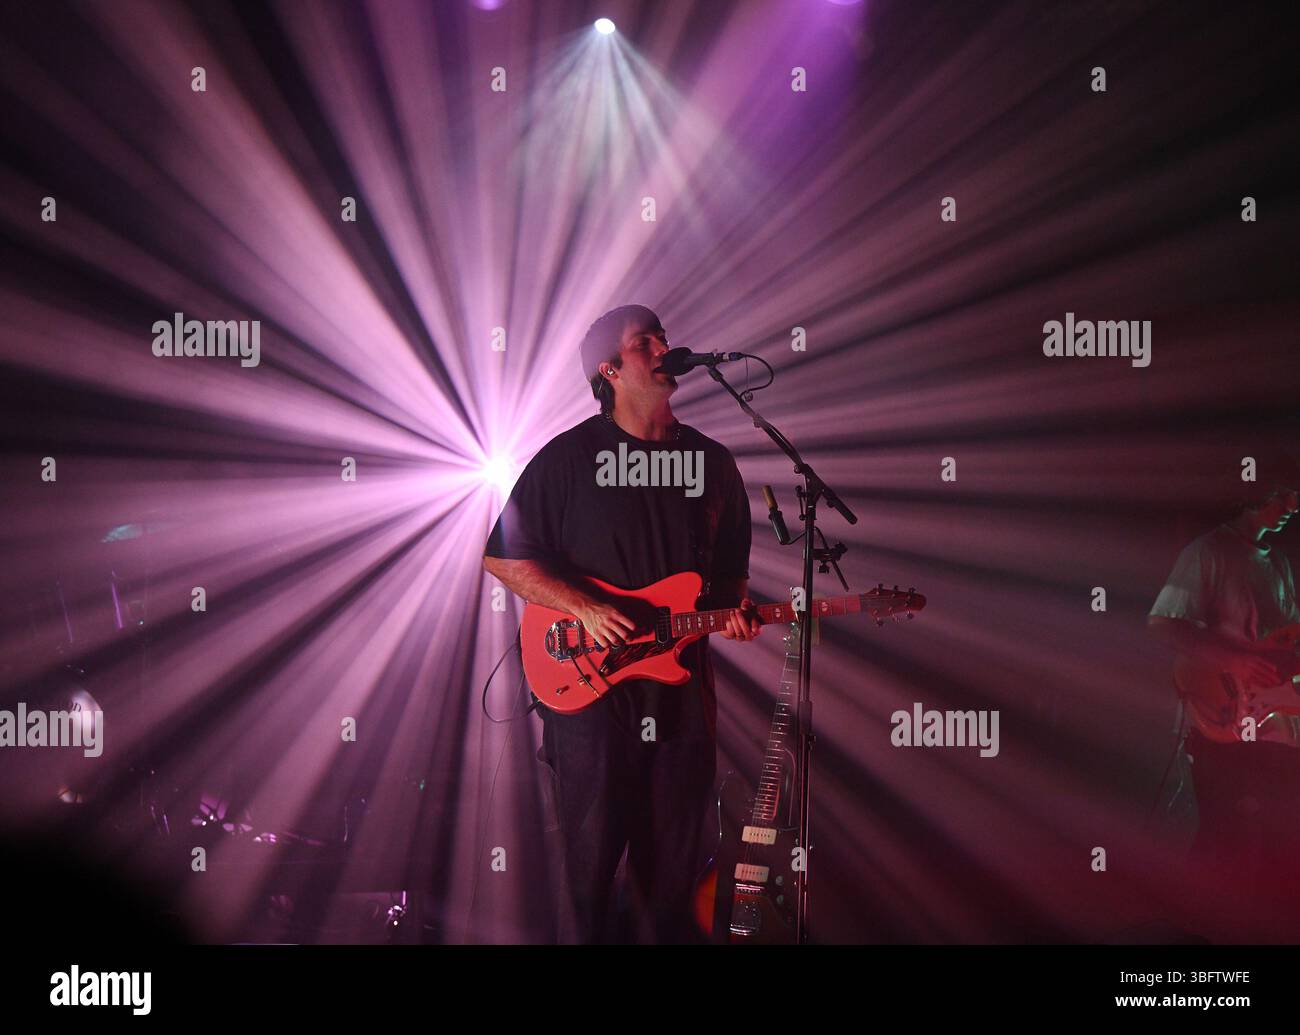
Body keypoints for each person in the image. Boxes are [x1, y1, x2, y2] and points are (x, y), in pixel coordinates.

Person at [483, 304, 762, 943]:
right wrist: (583, 607)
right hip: (591, 693)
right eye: (645, 342)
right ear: (609, 370)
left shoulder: (713, 464)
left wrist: (734, 616)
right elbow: (502, 556)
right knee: (589, 874)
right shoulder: (568, 458)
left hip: (682, 695)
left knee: (673, 879)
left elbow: (729, 581)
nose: (664, 347)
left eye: (663, 337)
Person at [1147, 459, 1300, 935]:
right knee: (1224, 832)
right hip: (1222, 716)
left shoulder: (1278, 563)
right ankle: (1194, 934)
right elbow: (1163, 623)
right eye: (1284, 495)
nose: (1293, 507)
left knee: (1275, 831)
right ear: (1255, 492)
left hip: (1274, 722)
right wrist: (1233, 661)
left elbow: (1284, 643)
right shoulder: (1206, 552)